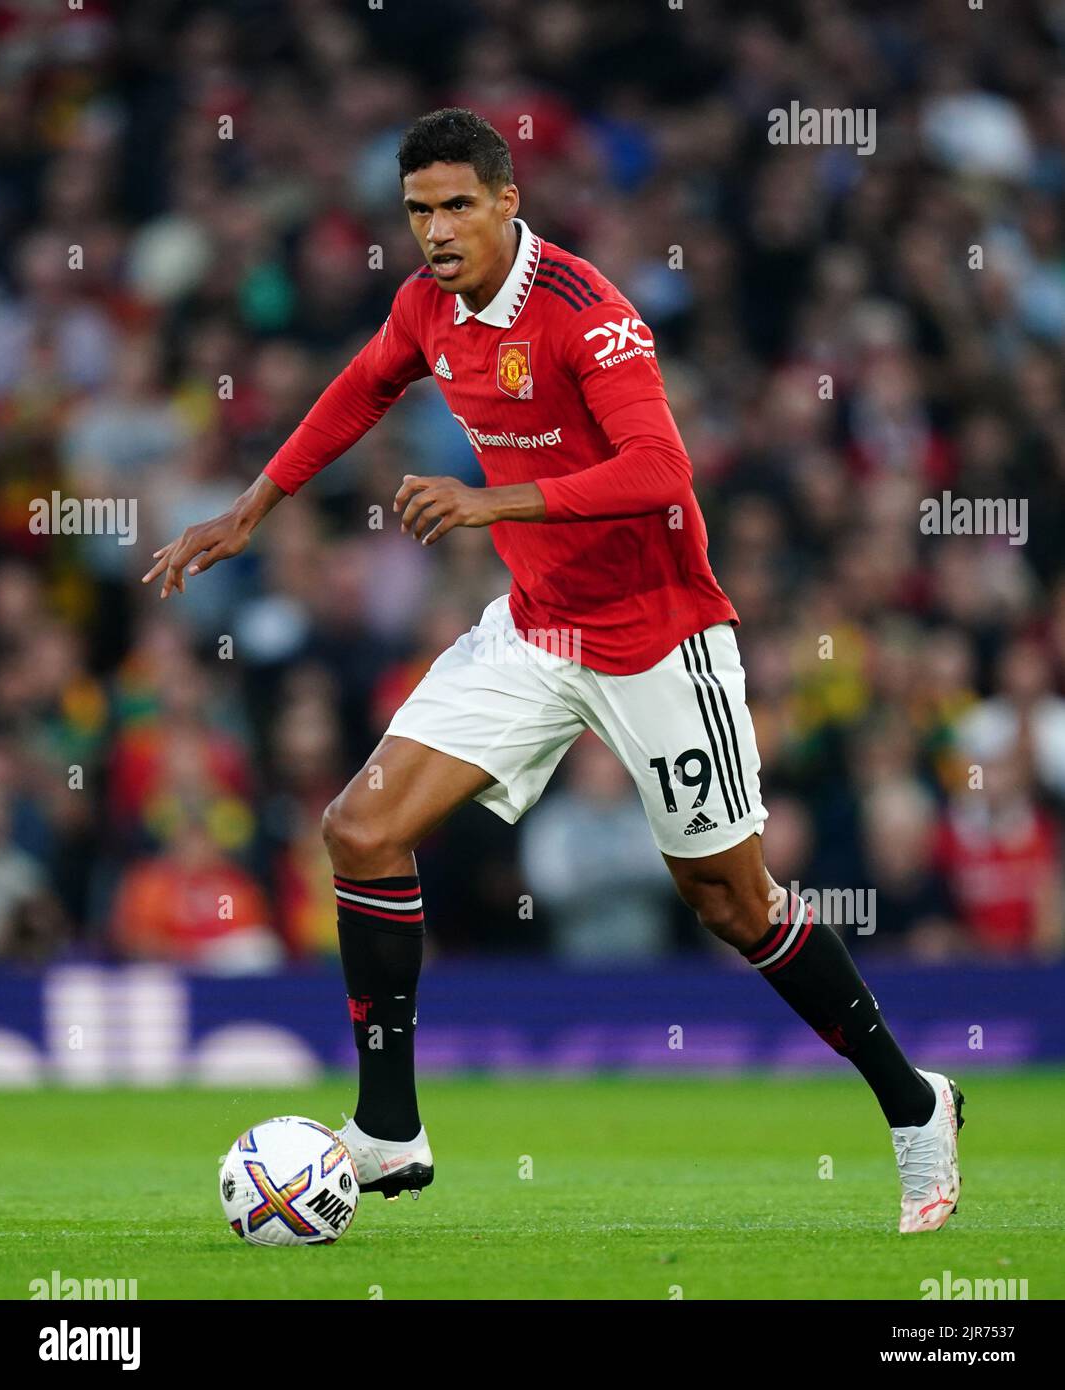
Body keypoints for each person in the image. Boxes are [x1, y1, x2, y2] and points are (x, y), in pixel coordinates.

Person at [144, 108, 963, 1233]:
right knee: (360, 829)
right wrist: (251, 507)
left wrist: (492, 499)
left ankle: (914, 1102)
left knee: (729, 899)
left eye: (455, 207)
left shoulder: (590, 316)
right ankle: (388, 1126)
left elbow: (661, 470)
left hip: (658, 638)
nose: (434, 230)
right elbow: (361, 387)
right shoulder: (426, 306)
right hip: (535, 628)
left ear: (506, 201)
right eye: (417, 210)